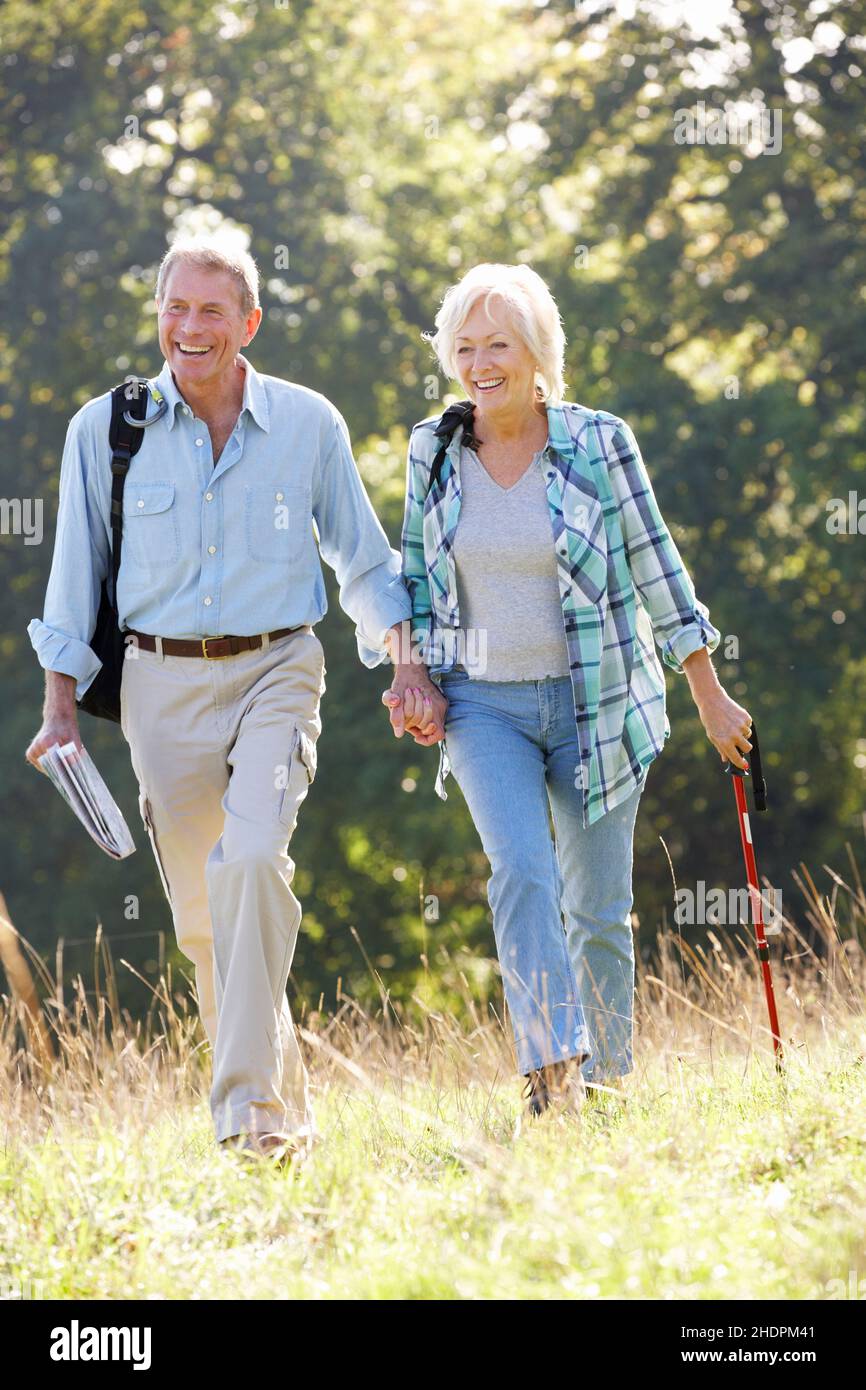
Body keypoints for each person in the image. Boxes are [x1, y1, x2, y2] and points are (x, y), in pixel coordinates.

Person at [25, 238, 442, 1163]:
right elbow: (72, 574)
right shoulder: (108, 428)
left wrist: (407, 665)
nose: (190, 327)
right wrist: (60, 709)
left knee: (252, 857)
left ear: (248, 323)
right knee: (208, 927)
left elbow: (365, 562)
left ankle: (244, 1120)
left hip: (277, 669)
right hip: (156, 684)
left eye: (212, 311)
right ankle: (285, 1119)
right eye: (176, 308)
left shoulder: (308, 424)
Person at [384, 262, 752, 1115]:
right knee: (520, 875)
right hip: (484, 705)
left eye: (499, 344)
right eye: (465, 345)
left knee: (596, 909)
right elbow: (410, 574)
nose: (481, 362)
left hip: (600, 700)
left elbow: (657, 560)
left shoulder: (598, 441)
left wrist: (706, 689)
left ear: (537, 353)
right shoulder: (431, 448)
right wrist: (411, 671)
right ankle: (552, 1079)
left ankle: (608, 1081)